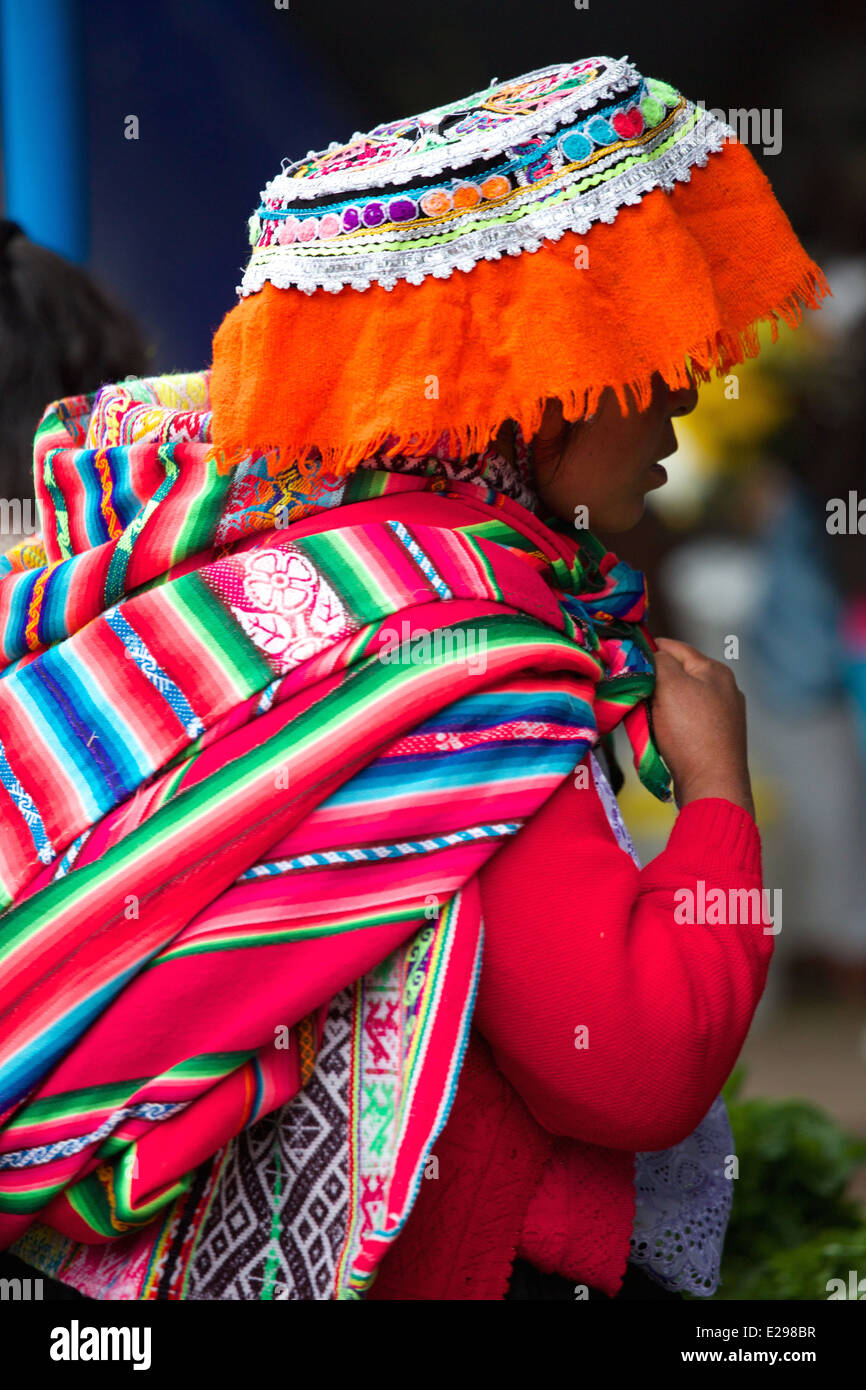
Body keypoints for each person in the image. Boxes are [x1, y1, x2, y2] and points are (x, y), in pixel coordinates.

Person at [0, 55, 827, 1301]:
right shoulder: (463, 658)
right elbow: (631, 1067)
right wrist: (713, 787)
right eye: (639, 369)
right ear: (529, 394)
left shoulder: (301, 561)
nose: (675, 412)